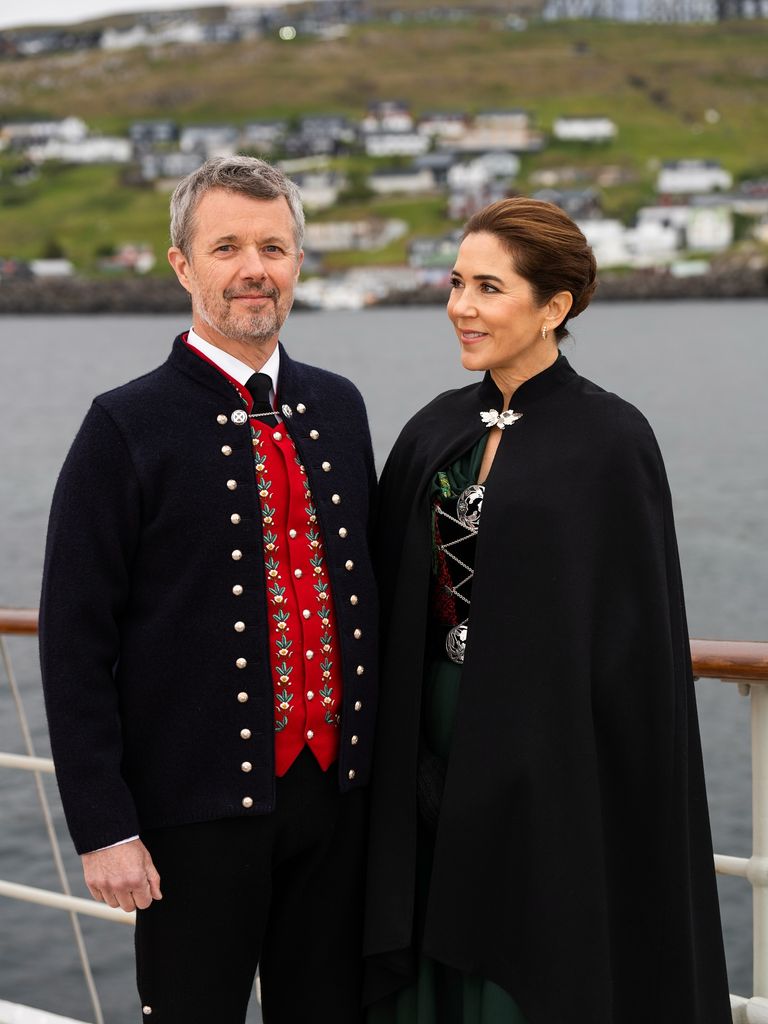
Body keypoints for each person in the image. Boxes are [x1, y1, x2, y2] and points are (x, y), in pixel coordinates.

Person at [363, 197, 731, 1024]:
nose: (461, 306)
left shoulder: (610, 439)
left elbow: (633, 648)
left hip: (548, 761)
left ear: (553, 307)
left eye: (489, 288)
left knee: (525, 965)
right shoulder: (432, 431)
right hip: (427, 746)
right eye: (457, 283)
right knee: (429, 953)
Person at [39, 155, 378, 1023]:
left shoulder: (339, 406)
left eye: (273, 246)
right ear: (183, 265)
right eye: (225, 246)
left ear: (300, 262)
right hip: (192, 812)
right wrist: (105, 826)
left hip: (336, 804)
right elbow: (76, 641)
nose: (253, 268)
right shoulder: (124, 425)